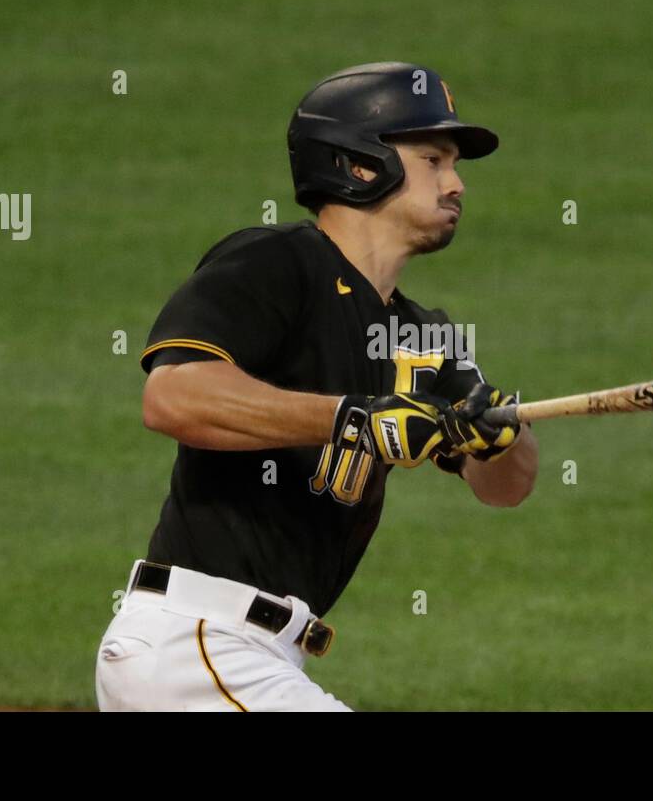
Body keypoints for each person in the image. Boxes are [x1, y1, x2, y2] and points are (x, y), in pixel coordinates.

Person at [95, 62, 538, 711]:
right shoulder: (276, 265)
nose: (458, 184)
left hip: (257, 656)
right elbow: (173, 397)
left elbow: (507, 489)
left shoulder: (427, 338)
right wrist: (357, 418)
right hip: (195, 645)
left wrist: (499, 439)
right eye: (433, 160)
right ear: (360, 165)